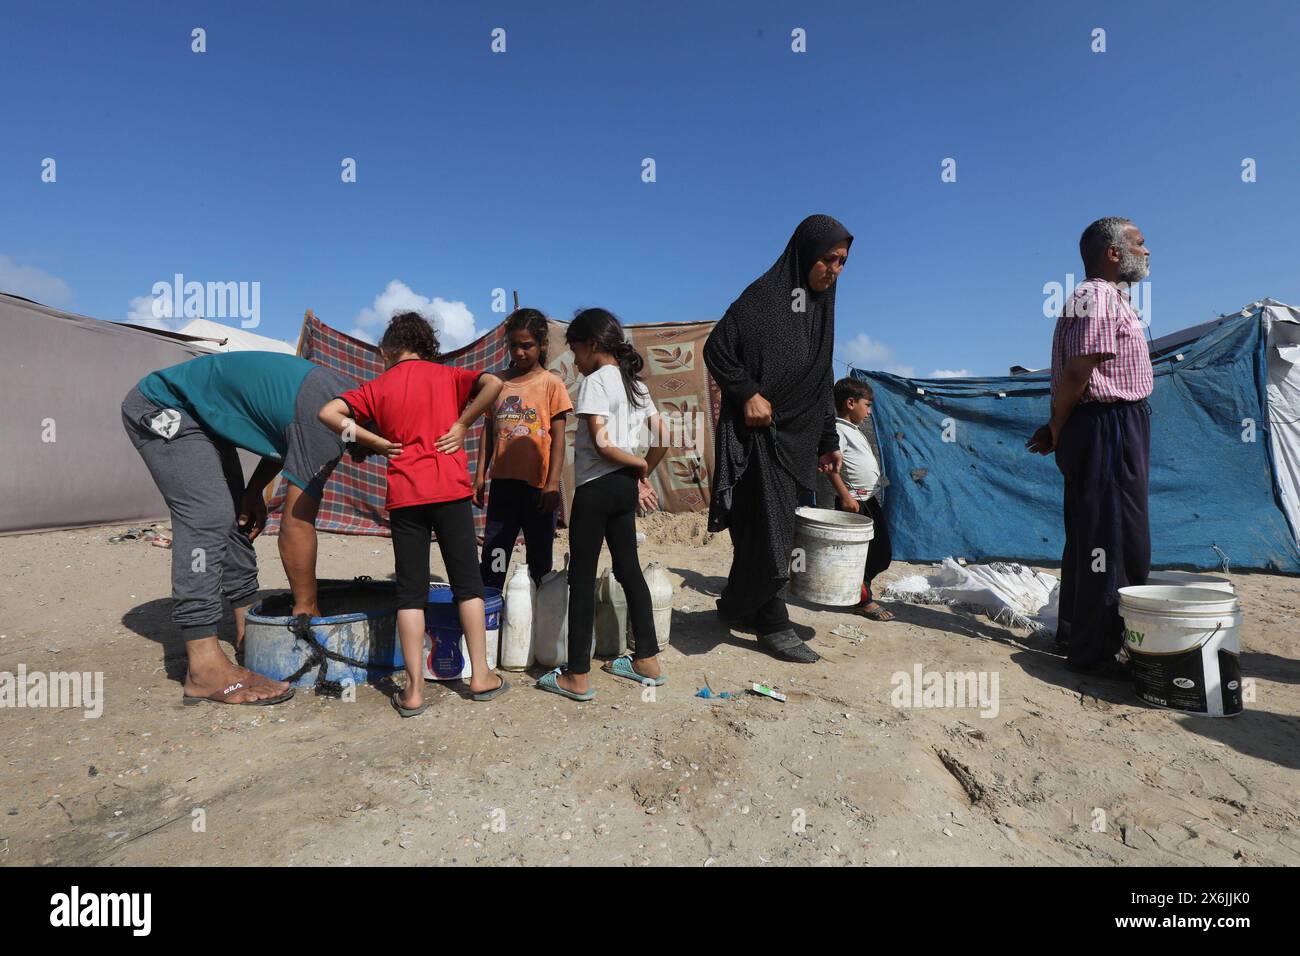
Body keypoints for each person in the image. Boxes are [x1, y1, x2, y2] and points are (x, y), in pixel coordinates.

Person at [121, 351, 356, 705]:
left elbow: (286, 438)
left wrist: (253, 491)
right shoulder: (331, 421)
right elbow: (296, 522)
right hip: (162, 406)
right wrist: (306, 609)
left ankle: (248, 630)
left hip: (201, 416)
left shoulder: (346, 400)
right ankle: (203, 667)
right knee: (208, 514)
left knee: (232, 513)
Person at [318, 311, 508, 716]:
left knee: (411, 593)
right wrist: (462, 425)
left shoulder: (378, 386)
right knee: (468, 584)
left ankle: (414, 691)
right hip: (450, 490)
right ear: (426, 345)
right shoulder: (448, 376)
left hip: (406, 495)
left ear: (388, 349)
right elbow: (494, 384)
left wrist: (376, 441)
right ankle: (481, 675)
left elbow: (329, 414)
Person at [704, 214, 850, 663]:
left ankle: (737, 604)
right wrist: (747, 392)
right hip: (758, 437)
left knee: (759, 526)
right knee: (770, 531)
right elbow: (717, 348)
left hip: (798, 436)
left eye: (842, 262)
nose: (834, 270)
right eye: (827, 259)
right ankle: (772, 621)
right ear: (805, 254)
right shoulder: (764, 297)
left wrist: (828, 438)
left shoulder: (822, 310)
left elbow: (821, 377)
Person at [1028, 217, 1154, 675]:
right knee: (1115, 536)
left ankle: (1077, 635)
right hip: (1109, 426)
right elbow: (1080, 372)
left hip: (1102, 424)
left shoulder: (1102, 299)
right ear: (1113, 253)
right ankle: (1098, 651)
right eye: (1139, 243)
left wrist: (1058, 425)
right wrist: (1060, 427)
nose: (1148, 251)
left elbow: (1076, 377)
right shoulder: (1096, 296)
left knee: (1093, 532)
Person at [538, 308, 667, 702]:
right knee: (629, 568)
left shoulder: (595, 382)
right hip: (624, 490)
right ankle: (647, 660)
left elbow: (601, 444)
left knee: (581, 575)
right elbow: (664, 437)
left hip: (596, 489)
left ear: (592, 344)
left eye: (576, 350)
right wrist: (643, 473)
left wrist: (637, 463)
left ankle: (576, 675)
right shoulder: (635, 385)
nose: (575, 360)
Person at [473, 308, 573, 591]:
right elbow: (488, 433)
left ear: (542, 345)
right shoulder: (497, 382)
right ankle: (490, 604)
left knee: (539, 555)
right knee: (495, 549)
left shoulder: (551, 383)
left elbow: (559, 438)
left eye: (526, 345)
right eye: (513, 345)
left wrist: (552, 484)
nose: (519, 352)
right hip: (503, 484)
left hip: (539, 487)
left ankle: (539, 612)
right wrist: (480, 474)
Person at [827, 377, 894, 621]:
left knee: (881, 554)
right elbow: (830, 467)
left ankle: (856, 589)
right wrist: (844, 496)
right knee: (863, 555)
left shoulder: (854, 430)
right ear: (850, 403)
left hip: (868, 500)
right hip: (854, 503)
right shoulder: (838, 430)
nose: (869, 411)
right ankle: (863, 600)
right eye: (867, 405)